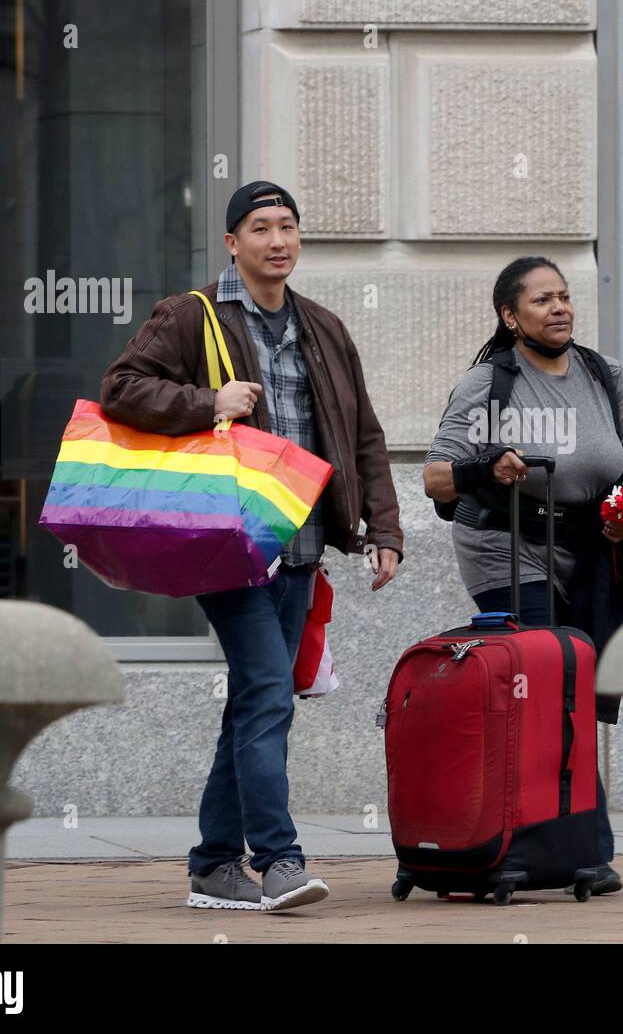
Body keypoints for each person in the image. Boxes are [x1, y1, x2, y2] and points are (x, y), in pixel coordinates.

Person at [100, 180, 404, 912]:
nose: (278, 240)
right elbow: (120, 388)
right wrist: (209, 403)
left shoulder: (324, 327)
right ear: (233, 242)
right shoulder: (190, 315)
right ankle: (280, 860)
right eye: (261, 227)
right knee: (269, 693)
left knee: (253, 701)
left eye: (289, 227)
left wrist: (384, 528)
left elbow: (362, 433)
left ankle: (212, 865)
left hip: (301, 546)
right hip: (228, 543)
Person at [422, 256, 623, 895]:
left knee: (578, 687)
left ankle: (571, 842)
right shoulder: (489, 384)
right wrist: (487, 470)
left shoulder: (604, 375)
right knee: (543, 685)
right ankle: (553, 847)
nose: (560, 308)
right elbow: (435, 478)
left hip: (586, 552)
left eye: (565, 296)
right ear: (510, 317)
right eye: (542, 300)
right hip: (506, 546)